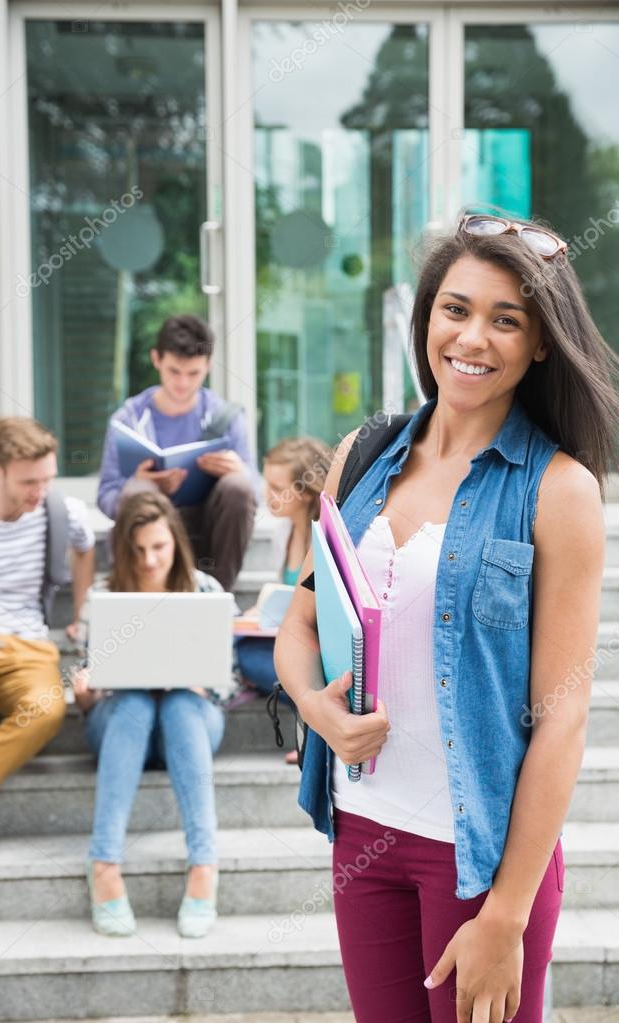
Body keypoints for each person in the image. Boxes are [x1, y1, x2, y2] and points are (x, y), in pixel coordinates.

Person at [275, 212, 616, 1023]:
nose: (473, 336)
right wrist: (317, 709)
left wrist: (506, 913)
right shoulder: (362, 453)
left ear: (540, 343)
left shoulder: (560, 489)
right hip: (364, 834)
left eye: (508, 319)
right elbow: (299, 626)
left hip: (482, 858)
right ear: (426, 316)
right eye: (456, 309)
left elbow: (563, 714)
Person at [73, 491, 235, 939]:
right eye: (139, 549)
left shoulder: (204, 590)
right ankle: (104, 864)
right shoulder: (104, 597)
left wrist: (198, 680)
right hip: (123, 725)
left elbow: (230, 683)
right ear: (125, 549)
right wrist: (86, 690)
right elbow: (88, 700)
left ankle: (204, 865)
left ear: (175, 543)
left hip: (190, 723)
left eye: (159, 547)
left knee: (182, 703)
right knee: (134, 701)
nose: (149, 560)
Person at [0, 417, 95, 865]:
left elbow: (85, 548)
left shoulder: (61, 511)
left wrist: (81, 610)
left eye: (47, 479)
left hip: (25, 645)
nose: (39, 492)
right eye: (29, 482)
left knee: (47, 710)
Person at [97, 313, 258, 591]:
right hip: (149, 532)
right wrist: (140, 483)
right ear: (156, 359)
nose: (183, 383)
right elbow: (106, 496)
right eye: (174, 371)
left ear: (207, 366)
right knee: (138, 492)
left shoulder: (226, 417)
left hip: (209, 531)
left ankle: (217, 599)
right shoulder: (129, 420)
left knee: (239, 486)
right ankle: (139, 596)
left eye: (193, 373)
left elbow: (255, 492)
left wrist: (240, 472)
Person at [235, 436, 332, 762]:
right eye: (267, 484)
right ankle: (307, 708)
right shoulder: (282, 533)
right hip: (290, 636)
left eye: (277, 488)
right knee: (243, 649)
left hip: (322, 643)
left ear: (305, 493)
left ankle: (315, 725)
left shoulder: (328, 534)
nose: (267, 495)